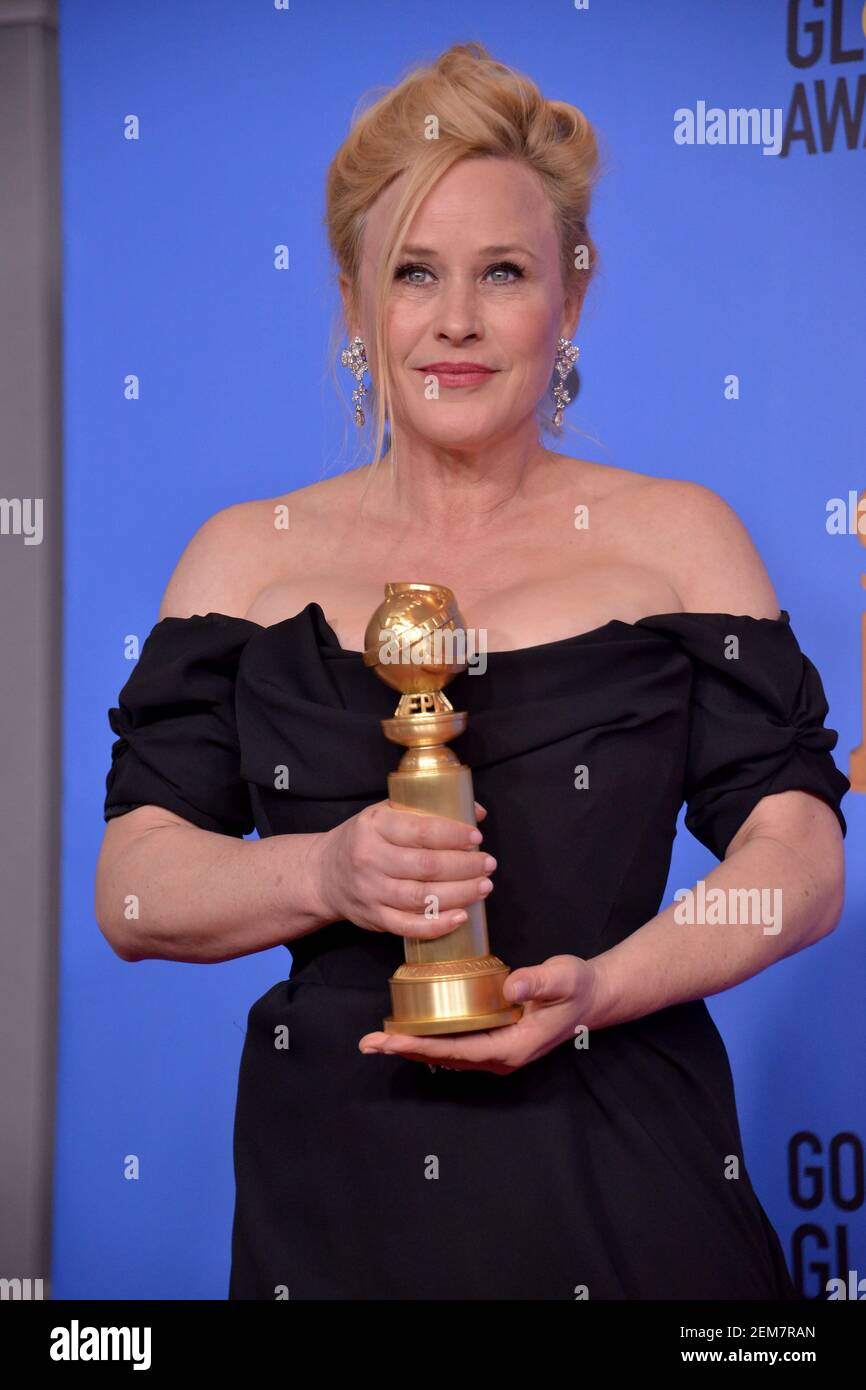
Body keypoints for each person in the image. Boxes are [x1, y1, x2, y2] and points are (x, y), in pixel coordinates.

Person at [95, 42, 850, 1300]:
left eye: (501, 272)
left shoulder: (678, 539)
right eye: (411, 274)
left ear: (570, 295)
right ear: (350, 304)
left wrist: (609, 983)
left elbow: (798, 859)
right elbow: (134, 891)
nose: (453, 320)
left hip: (632, 1193)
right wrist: (326, 868)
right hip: (335, 1204)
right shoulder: (243, 558)